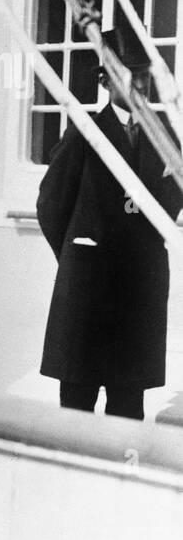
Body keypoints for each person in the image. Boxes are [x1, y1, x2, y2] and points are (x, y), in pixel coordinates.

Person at [37, 22, 183, 420]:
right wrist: (79, 253)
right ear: (105, 80)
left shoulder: (166, 135)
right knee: (77, 413)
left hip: (138, 295)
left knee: (127, 412)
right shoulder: (86, 132)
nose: (138, 83)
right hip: (89, 298)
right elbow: (51, 205)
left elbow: (172, 199)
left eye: (143, 75)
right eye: (127, 74)